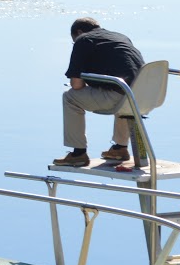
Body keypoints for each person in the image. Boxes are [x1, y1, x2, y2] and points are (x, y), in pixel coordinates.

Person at [53, 17, 145, 168]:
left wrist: (84, 80)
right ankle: (120, 148)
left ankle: (78, 154)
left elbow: (76, 85)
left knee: (70, 97)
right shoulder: (120, 37)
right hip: (143, 96)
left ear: (79, 32)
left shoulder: (83, 40)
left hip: (121, 94)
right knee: (123, 92)